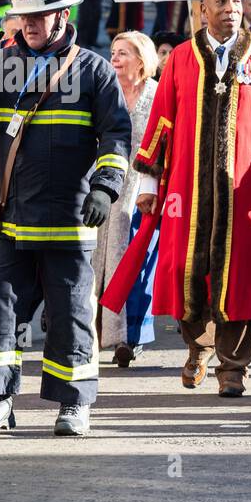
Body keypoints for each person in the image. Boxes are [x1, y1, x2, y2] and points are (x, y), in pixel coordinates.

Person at [0, 0, 131, 437]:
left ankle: (73, 404)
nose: (29, 24)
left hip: (69, 217)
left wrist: (105, 187)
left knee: (71, 313)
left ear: (63, 13)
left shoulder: (93, 69)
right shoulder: (0, 62)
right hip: (5, 213)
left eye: (40, 15)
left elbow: (117, 137)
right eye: (23, 16)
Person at [125, 0, 251, 399]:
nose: (231, 8)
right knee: (187, 272)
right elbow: (161, 123)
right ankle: (197, 346)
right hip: (187, 191)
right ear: (203, 10)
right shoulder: (183, 59)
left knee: (241, 277)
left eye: (237, 1)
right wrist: (148, 183)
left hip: (248, 194)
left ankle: (234, 368)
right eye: (221, 1)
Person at [92, 31, 159, 367]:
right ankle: (98, 332)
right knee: (97, 261)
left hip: (144, 187)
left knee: (138, 263)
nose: (114, 59)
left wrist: (154, 185)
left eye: (123, 53)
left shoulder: (157, 94)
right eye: (113, 53)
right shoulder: (105, 92)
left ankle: (131, 338)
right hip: (106, 182)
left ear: (142, 60)